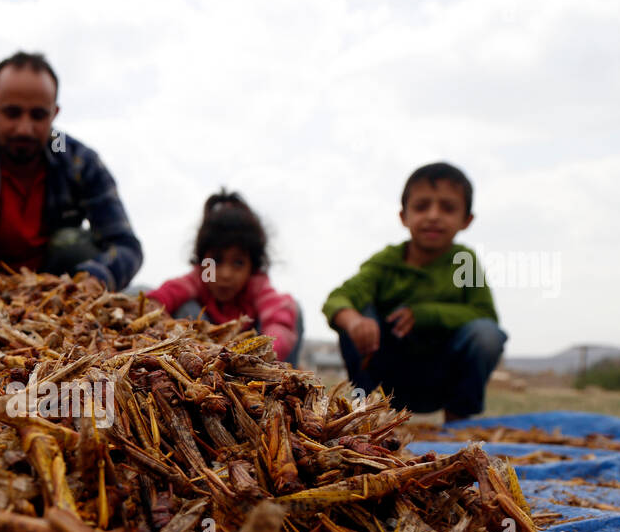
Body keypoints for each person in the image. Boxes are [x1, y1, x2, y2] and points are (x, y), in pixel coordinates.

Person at [0, 51, 142, 303]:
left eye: (38, 115)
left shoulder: (81, 163)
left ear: (54, 113)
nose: (25, 128)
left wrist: (90, 281)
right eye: (12, 113)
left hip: (55, 297)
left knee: (74, 245)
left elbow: (126, 246)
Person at [323, 162, 507, 421]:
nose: (433, 215)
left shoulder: (464, 261)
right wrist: (355, 323)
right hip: (386, 378)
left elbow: (484, 314)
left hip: (441, 378)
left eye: (448, 207)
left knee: (485, 334)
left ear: (466, 220)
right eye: (422, 207)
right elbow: (337, 299)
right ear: (404, 216)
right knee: (358, 313)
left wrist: (424, 314)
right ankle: (361, 416)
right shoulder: (386, 262)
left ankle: (459, 424)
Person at [145, 191, 302, 363]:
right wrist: (149, 317)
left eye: (238, 263)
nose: (225, 274)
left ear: (252, 267)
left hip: (250, 365)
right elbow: (166, 295)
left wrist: (263, 353)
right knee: (185, 308)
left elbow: (278, 316)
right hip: (202, 362)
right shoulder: (203, 278)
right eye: (217, 260)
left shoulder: (255, 285)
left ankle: (283, 382)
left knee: (294, 310)